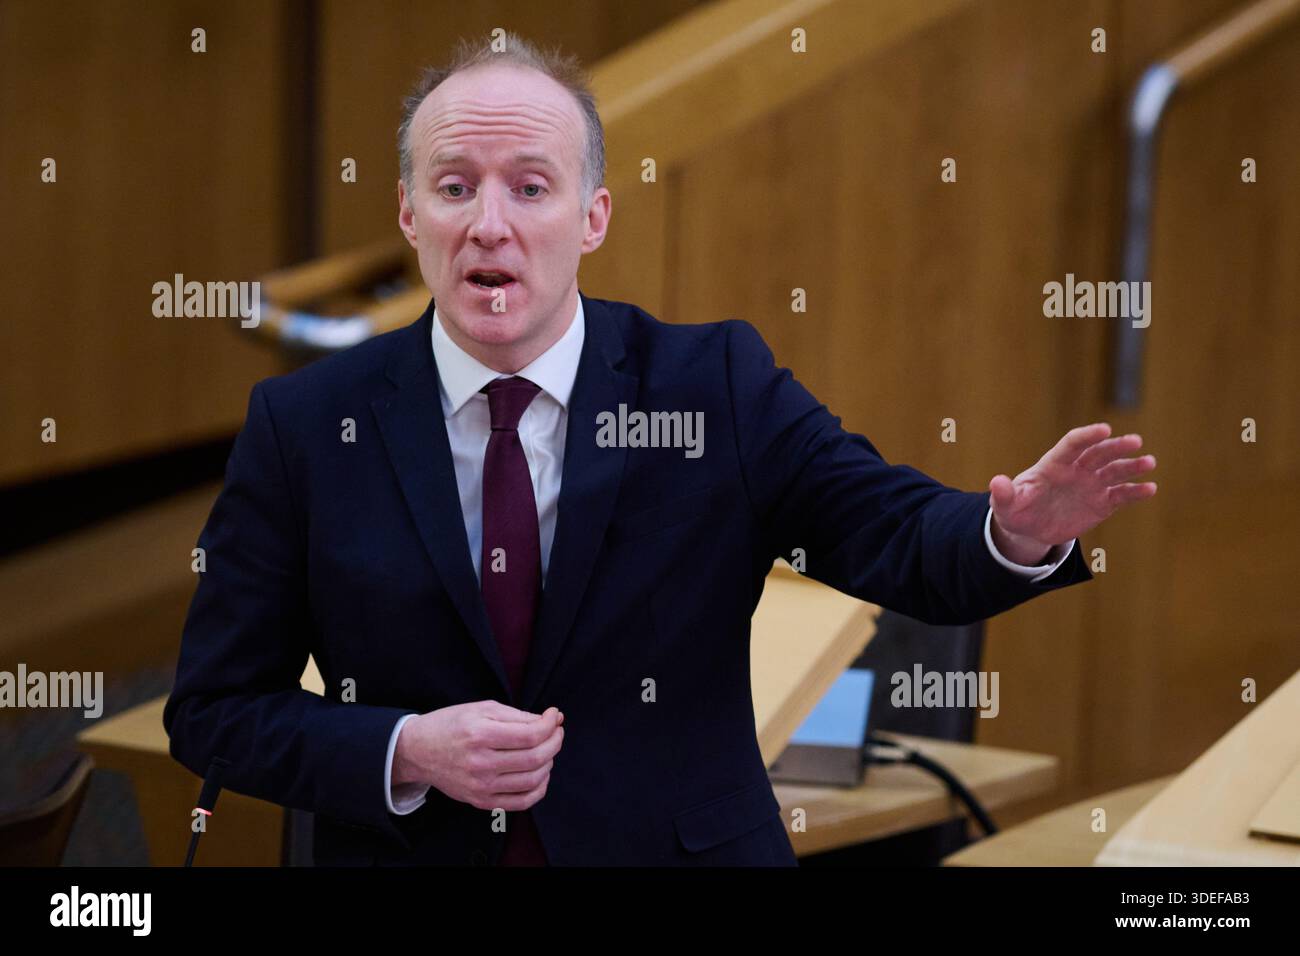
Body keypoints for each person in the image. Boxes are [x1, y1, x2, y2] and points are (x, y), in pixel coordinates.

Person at [163, 33, 1157, 866]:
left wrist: (1009, 529)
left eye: (531, 186)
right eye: (455, 186)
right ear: (407, 214)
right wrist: (404, 747)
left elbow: (890, 533)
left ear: (592, 217)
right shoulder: (304, 422)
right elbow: (213, 708)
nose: (489, 225)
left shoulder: (711, 386)